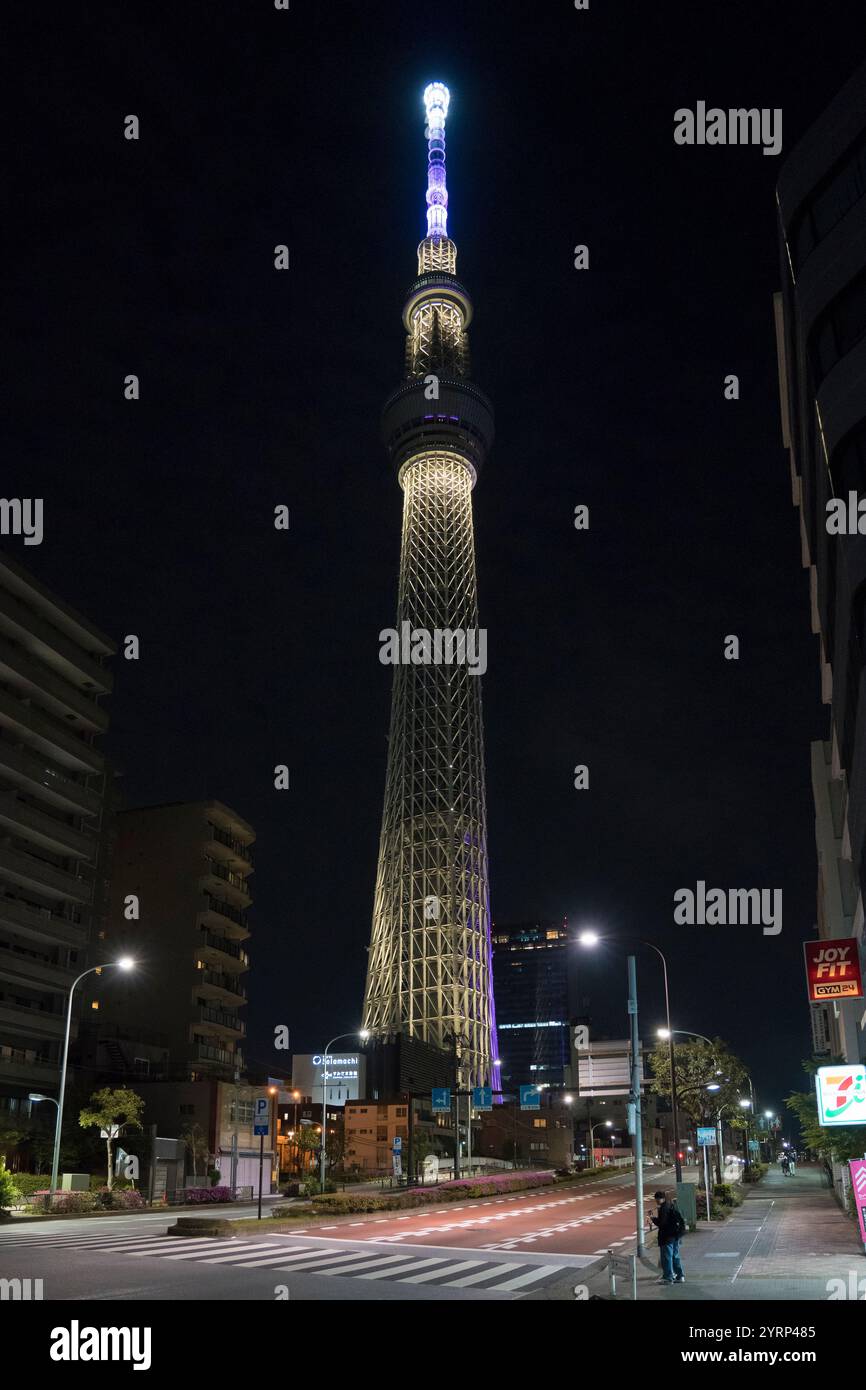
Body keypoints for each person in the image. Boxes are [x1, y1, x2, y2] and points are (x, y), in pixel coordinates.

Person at [651, 1189, 686, 1285]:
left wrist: (653, 1219)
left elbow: (662, 1223)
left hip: (667, 1236)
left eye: (657, 1199)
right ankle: (680, 1276)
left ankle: (668, 1278)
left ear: (661, 1198)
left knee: (667, 1257)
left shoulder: (663, 1208)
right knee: (675, 1256)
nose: (656, 1201)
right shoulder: (671, 1205)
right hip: (675, 1235)